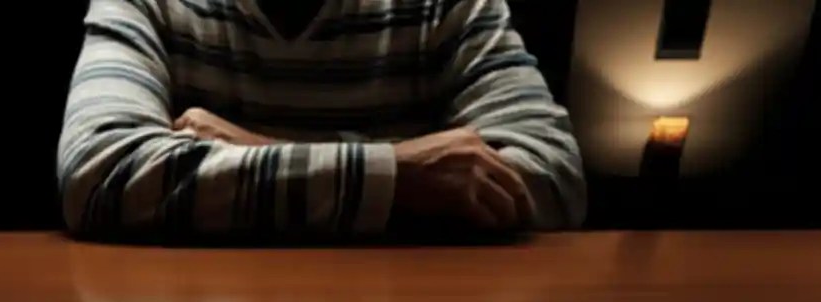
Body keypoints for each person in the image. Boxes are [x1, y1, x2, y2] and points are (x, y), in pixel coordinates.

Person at [57, 0, 585, 237]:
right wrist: (401, 175)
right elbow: (99, 175)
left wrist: (252, 148)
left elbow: (550, 176)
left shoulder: (447, 7)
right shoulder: (146, 3)